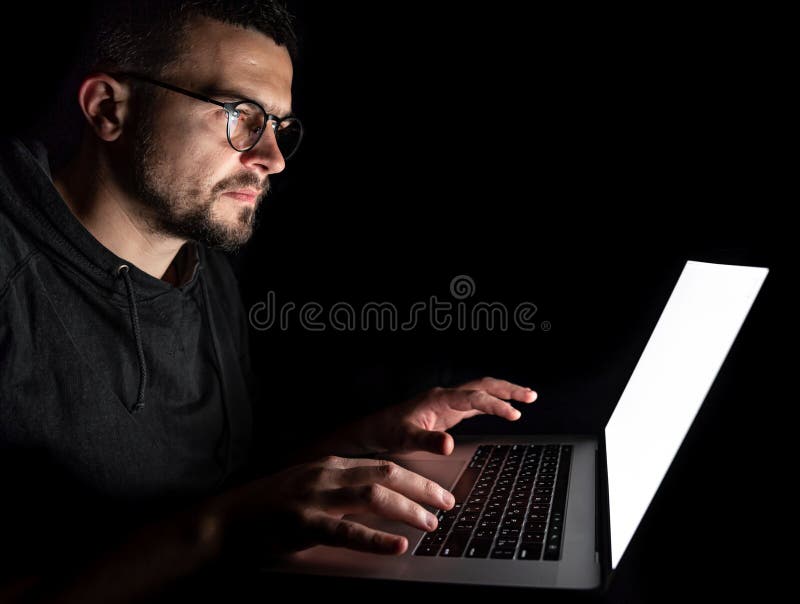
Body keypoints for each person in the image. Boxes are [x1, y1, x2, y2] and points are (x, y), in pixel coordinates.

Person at [0, 1, 538, 601]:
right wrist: (219, 532)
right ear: (109, 108)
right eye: (238, 115)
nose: (272, 159)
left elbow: (224, 491)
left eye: (279, 126)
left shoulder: (204, 266)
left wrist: (362, 444)